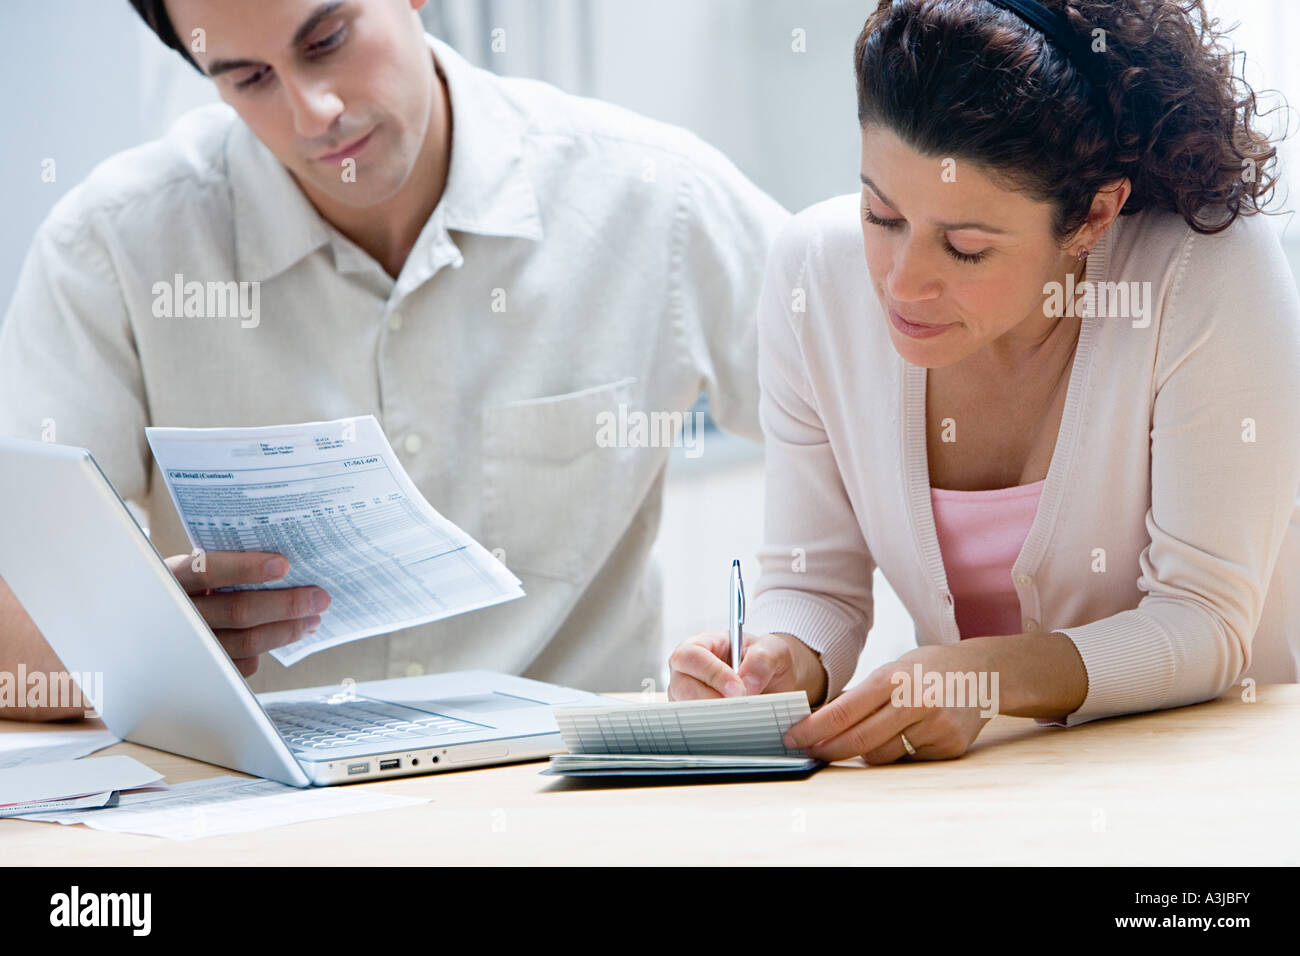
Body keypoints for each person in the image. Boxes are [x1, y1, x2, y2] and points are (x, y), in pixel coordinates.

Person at [0, 0, 788, 719]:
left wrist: (810, 633)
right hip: (267, 823)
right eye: (248, 78)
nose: (314, 113)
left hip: (569, 807)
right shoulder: (113, 248)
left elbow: (883, 407)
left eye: (328, 40)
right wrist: (139, 643)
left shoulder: (651, 200)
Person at [668, 0, 1300, 764]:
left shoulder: (1202, 266)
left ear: (1093, 217)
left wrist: (981, 678)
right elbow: (817, 584)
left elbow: (1203, 622)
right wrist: (775, 663)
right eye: (882, 215)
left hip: (1211, 779)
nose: (904, 285)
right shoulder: (812, 274)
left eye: (965, 248)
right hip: (980, 798)